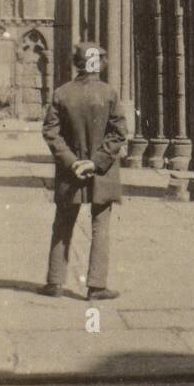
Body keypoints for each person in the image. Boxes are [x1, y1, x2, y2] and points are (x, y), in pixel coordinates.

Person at [40, 41, 127, 300]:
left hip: (71, 173)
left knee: (63, 224)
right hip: (103, 173)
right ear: (97, 63)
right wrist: (96, 161)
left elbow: (50, 133)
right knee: (101, 226)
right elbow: (118, 133)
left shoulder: (61, 94)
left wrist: (72, 161)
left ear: (76, 63)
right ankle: (96, 286)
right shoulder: (109, 94)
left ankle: (55, 282)